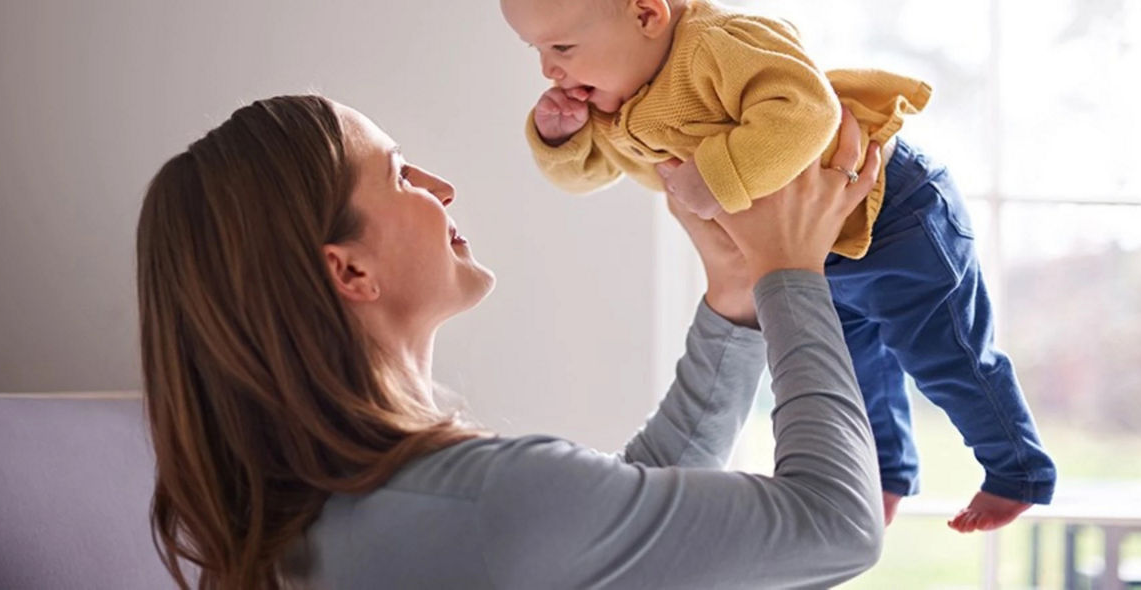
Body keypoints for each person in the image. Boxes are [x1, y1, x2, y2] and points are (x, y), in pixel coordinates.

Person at [137, 94, 887, 589]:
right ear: (350, 268)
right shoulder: (493, 500)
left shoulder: (309, 524)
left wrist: (734, 300)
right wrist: (790, 273)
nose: (441, 187)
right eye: (399, 176)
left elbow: (607, 529)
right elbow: (837, 524)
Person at [500, 0, 1056, 532]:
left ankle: (1017, 469)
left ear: (647, 14)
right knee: (854, 370)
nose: (549, 71)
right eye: (537, 52)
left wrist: (714, 177)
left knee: (942, 350)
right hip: (820, 248)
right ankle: (886, 476)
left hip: (896, 209)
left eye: (561, 47)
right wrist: (558, 136)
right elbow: (584, 176)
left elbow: (807, 109)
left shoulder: (717, 45)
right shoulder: (618, 106)